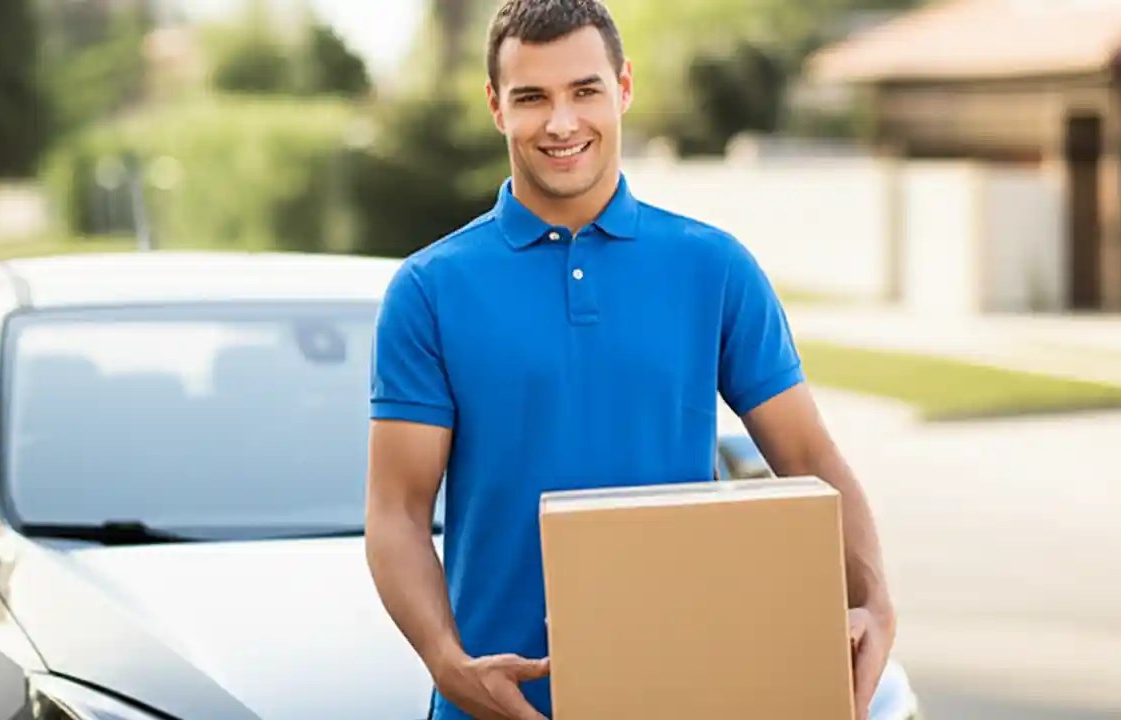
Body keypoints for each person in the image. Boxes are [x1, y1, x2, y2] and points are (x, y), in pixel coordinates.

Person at [365, 1, 896, 718]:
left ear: (623, 87)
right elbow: (397, 513)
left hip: (684, 698)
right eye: (532, 98)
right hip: (496, 709)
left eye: (584, 91)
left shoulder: (713, 268)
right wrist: (446, 660)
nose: (561, 123)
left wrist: (873, 600)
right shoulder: (430, 291)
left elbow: (809, 455)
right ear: (496, 106)